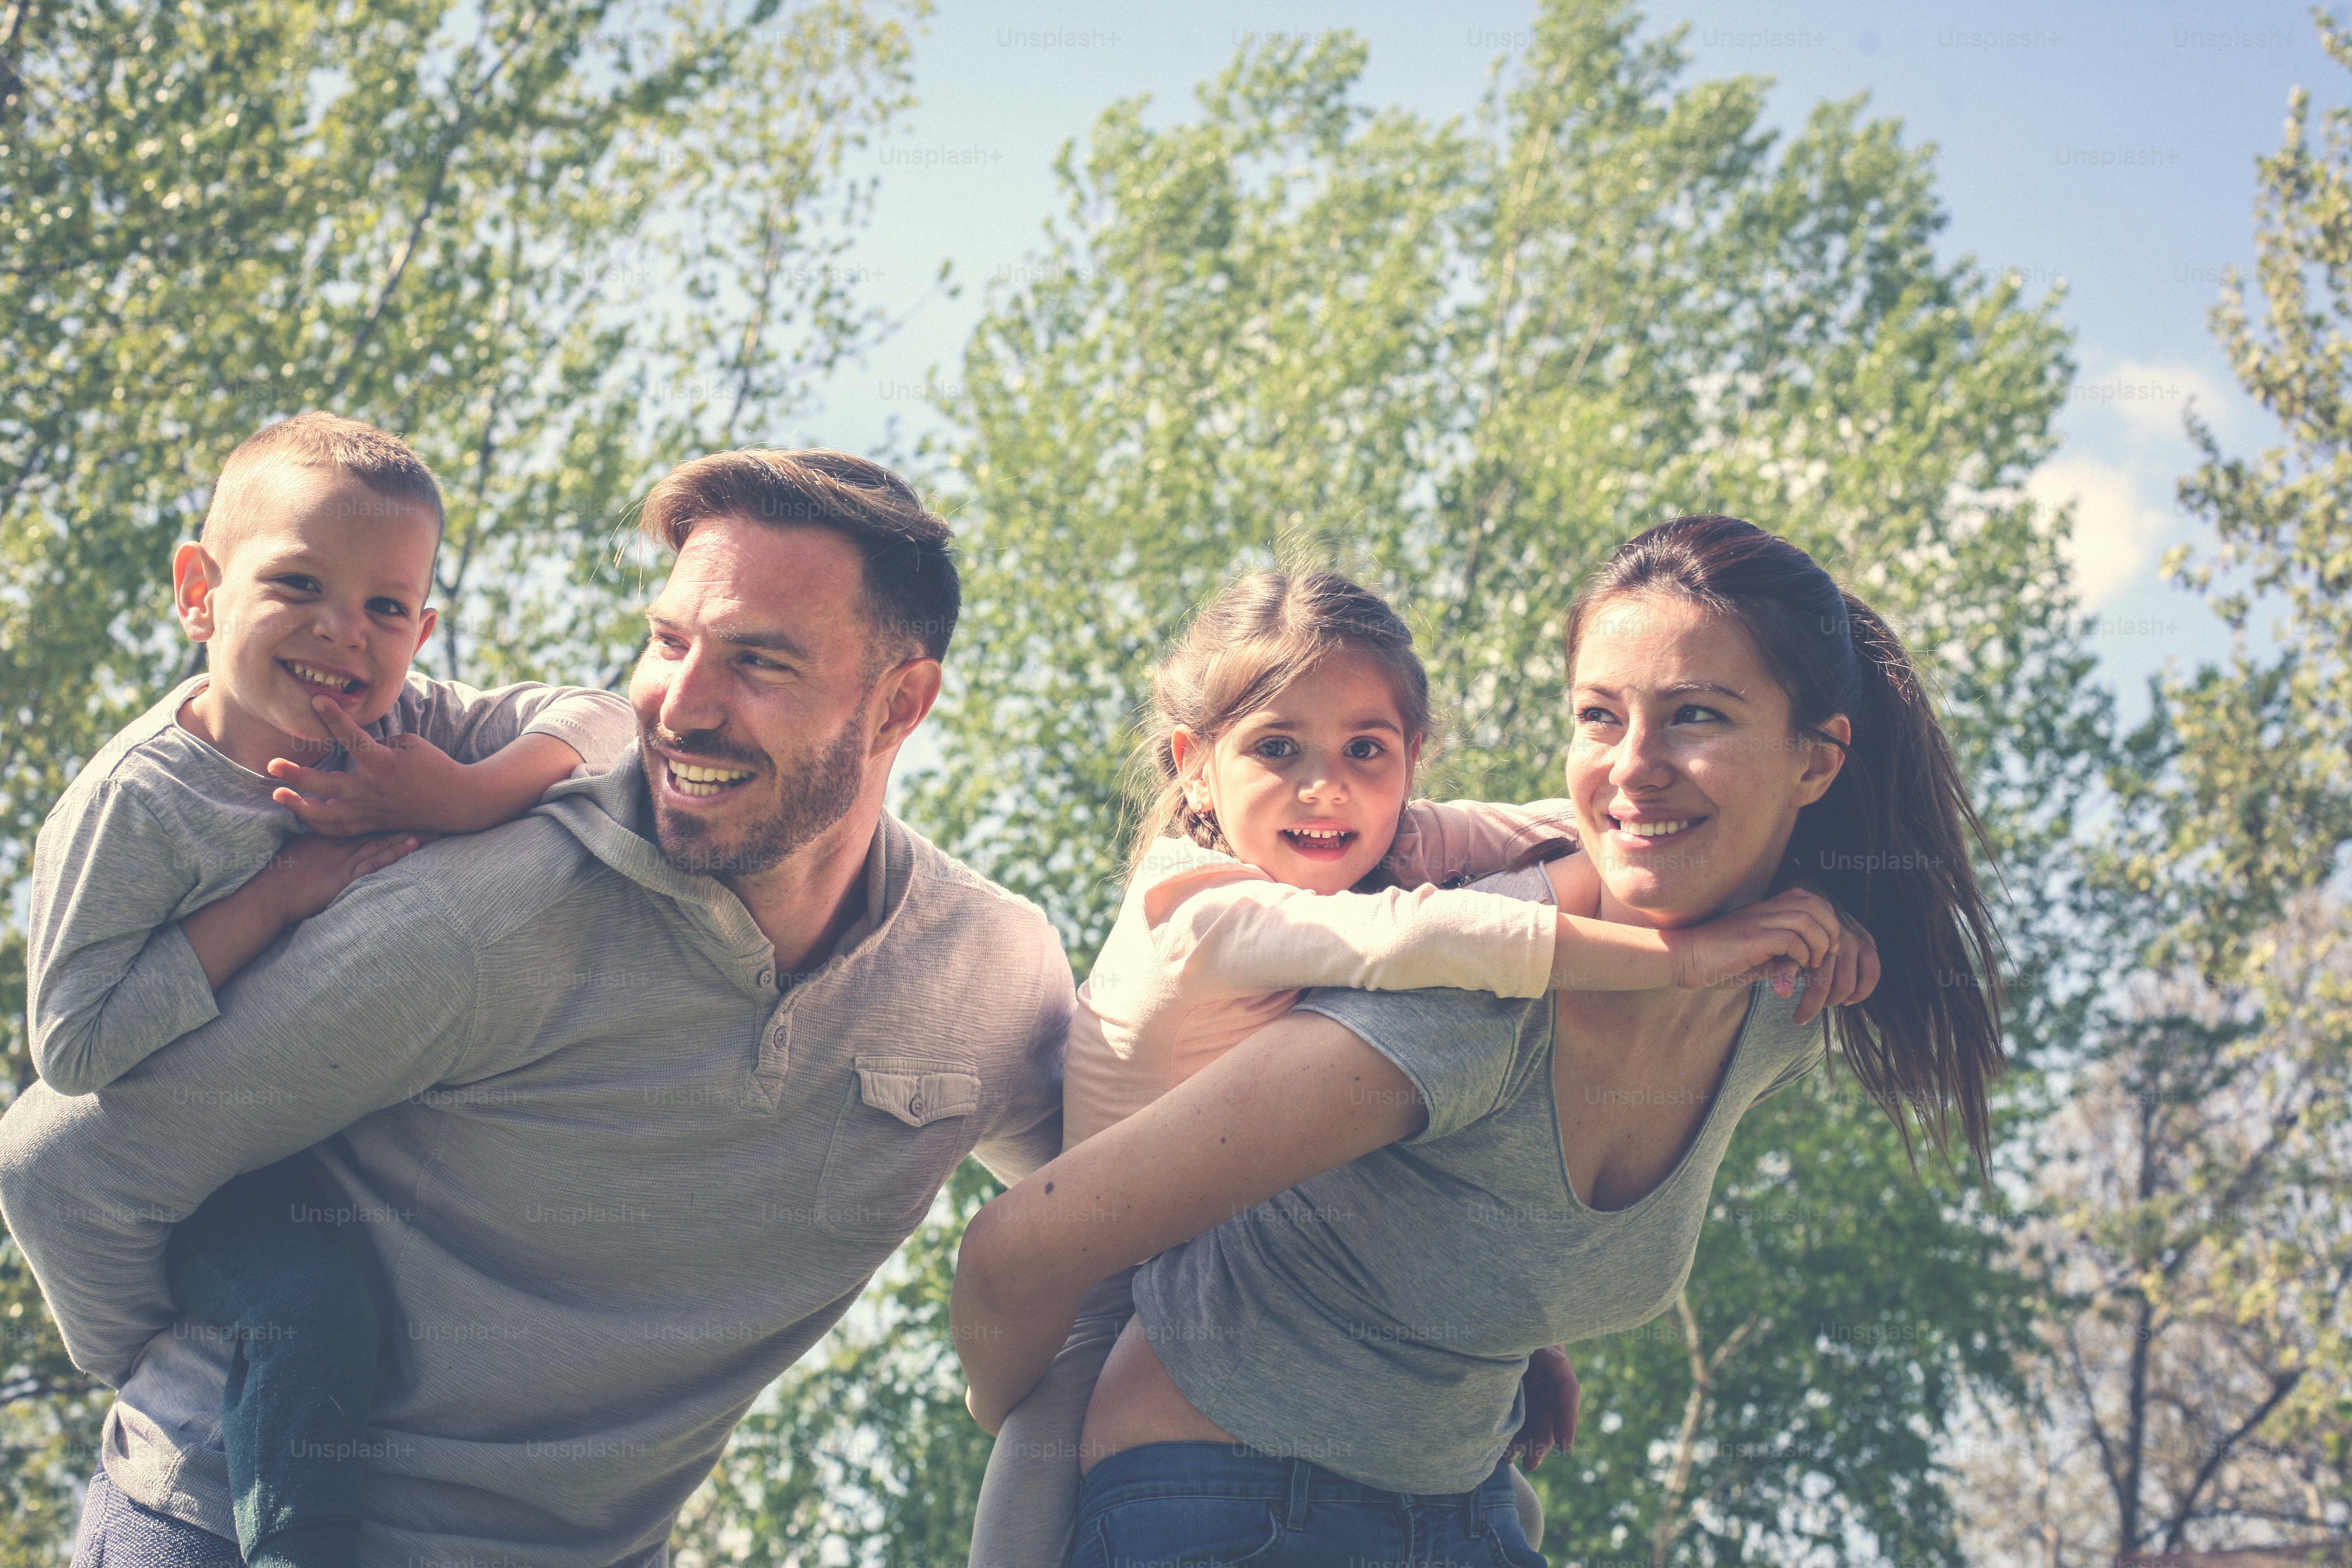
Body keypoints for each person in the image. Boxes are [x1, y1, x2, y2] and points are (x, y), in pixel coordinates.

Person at [0, 448, 1070, 1568]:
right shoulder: (481, 920)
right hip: (236, 1527)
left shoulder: (988, 976)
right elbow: (65, 1174)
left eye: (759, 662)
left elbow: (1127, 1221)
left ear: (901, 702)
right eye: (667, 643)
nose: (680, 705)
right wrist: (179, 1384)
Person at [953, 515, 1995, 1567]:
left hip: (1463, 1507)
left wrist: (1508, 1326)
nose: (1634, 769)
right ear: (1199, 766)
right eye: (1600, 716)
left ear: (1815, 763)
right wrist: (1014, 1411)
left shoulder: (1778, 996)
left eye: (1696, 716)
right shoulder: (1451, 989)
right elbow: (1014, 1252)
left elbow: (1538, 832)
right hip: (1227, 1500)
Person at [24, 411, 637, 1568]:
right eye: (298, 583)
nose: (341, 633)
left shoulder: (399, 728)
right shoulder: (142, 802)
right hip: (208, 1174)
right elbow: (75, 1039)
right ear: (199, 590)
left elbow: (606, 720)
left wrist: (463, 794)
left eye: (385, 608)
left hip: (350, 1131)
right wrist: (276, 897)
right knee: (312, 1307)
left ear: (423, 629)